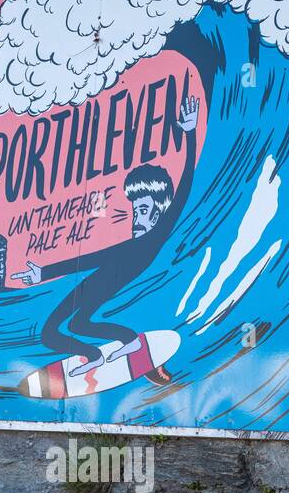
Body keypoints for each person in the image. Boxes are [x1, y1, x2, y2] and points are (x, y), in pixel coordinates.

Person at [12, 95, 199, 377]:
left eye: (145, 209)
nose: (137, 217)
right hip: (94, 281)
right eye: (135, 210)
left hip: (99, 284)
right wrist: (44, 273)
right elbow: (93, 258)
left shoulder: (155, 236)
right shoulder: (137, 243)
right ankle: (102, 351)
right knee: (59, 331)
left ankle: (118, 345)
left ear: (161, 210)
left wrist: (190, 135)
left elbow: (184, 185)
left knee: (61, 329)